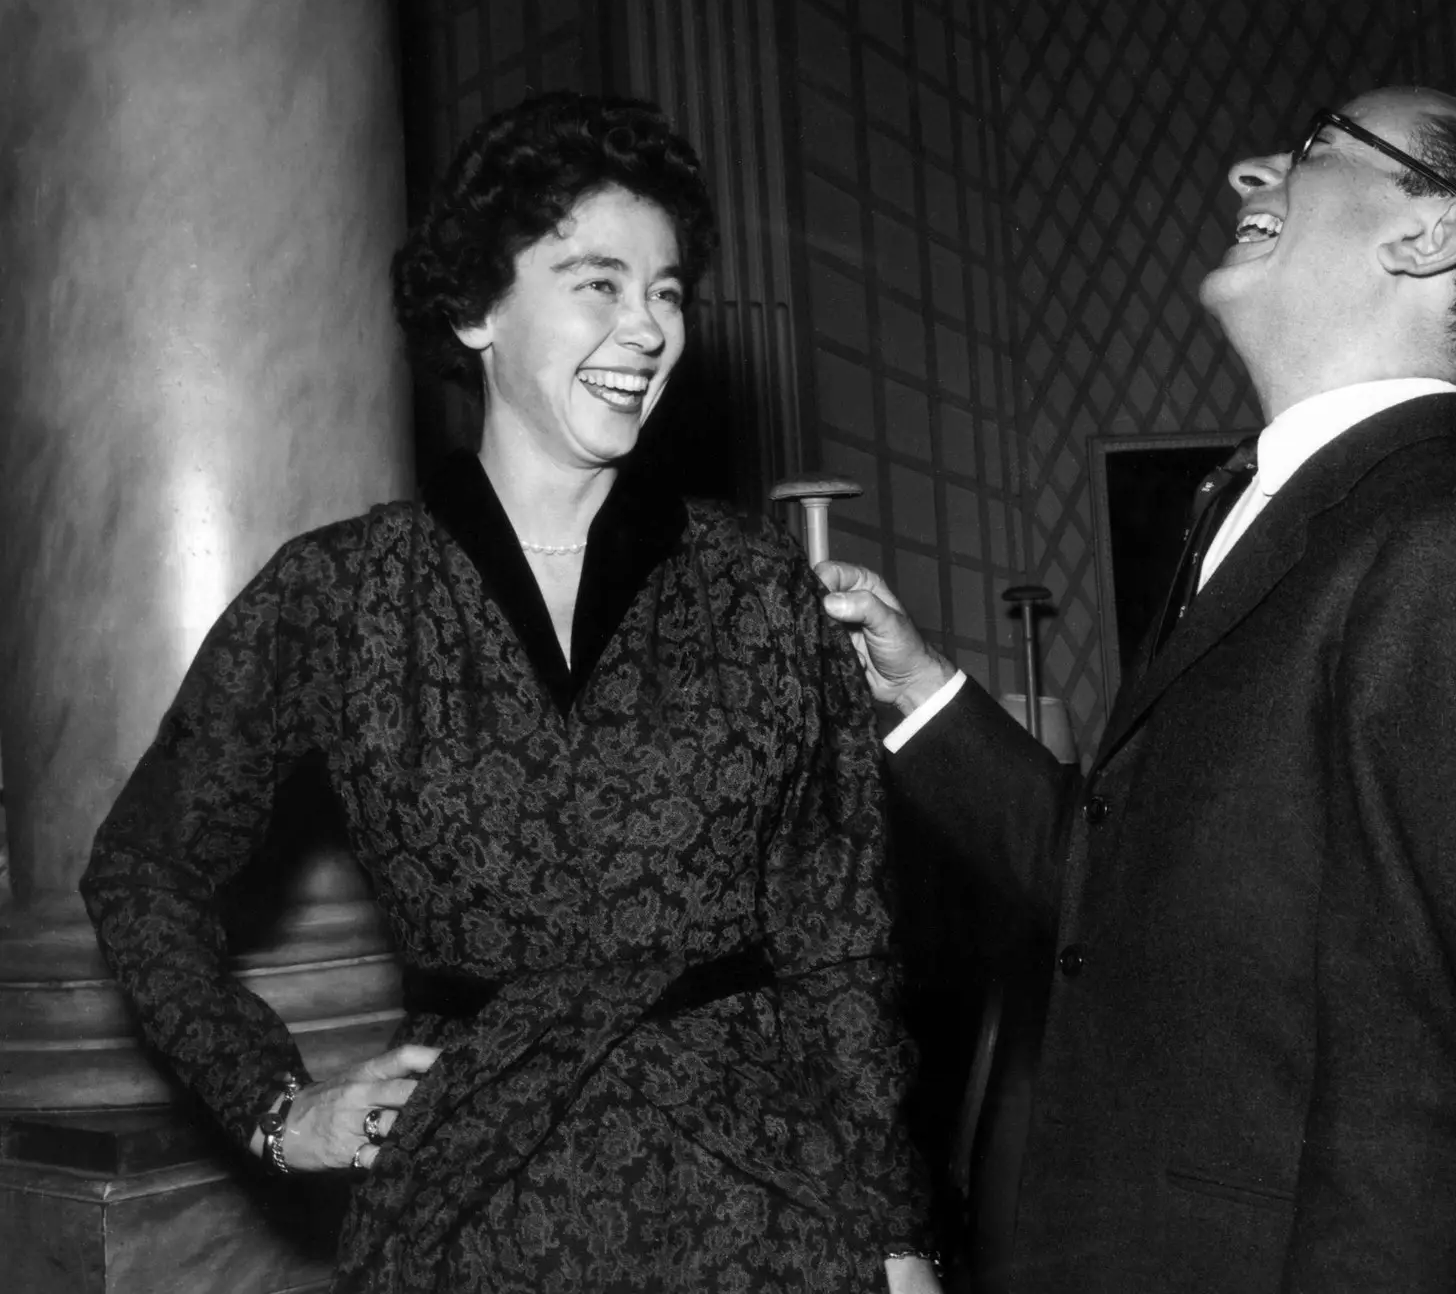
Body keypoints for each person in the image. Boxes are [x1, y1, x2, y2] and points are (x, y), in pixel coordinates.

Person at [81, 92, 939, 1293]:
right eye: (598, 281)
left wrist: (898, 1245)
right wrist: (277, 1106)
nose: (647, 326)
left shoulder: (756, 588)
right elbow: (142, 869)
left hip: (760, 1211)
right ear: (477, 308)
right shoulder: (344, 594)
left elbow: (841, 942)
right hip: (470, 1215)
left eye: (669, 290)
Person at [821, 87, 1456, 1292]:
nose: (1248, 171)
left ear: (1430, 236)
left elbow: (1420, 1091)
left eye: (1322, 147)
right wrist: (919, 692)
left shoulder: (1438, 544)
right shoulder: (1274, 515)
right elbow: (1111, 889)